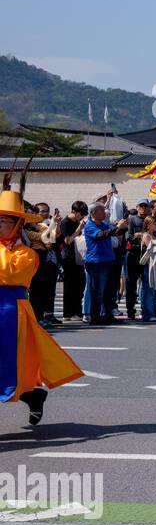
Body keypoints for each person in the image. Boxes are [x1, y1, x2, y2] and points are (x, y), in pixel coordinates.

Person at [0, 175, 83, 425]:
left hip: (10, 312)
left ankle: (32, 394)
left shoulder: (27, 254)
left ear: (16, 225)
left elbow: (8, 274)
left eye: (2, 221)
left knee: (10, 363)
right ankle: (33, 396)